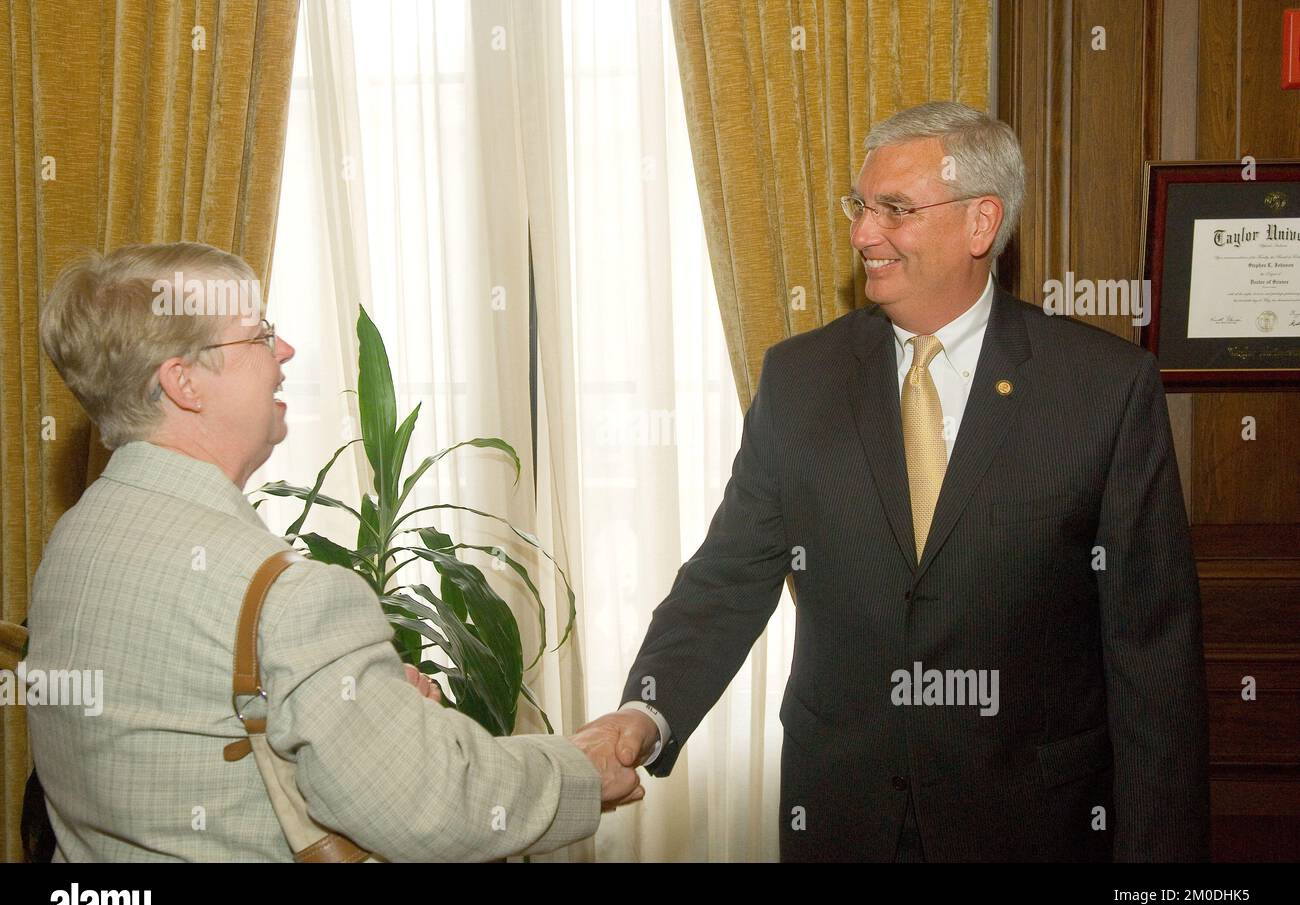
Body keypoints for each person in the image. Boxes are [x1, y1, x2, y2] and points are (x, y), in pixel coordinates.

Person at [578, 101, 1211, 862]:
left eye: (895, 210)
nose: (862, 233)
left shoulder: (1102, 390)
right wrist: (644, 714)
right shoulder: (800, 379)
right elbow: (726, 579)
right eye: (860, 205)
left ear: (982, 223)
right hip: (843, 821)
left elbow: (1154, 663)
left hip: (1030, 826)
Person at [27, 241, 640, 862]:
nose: (284, 352)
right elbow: (431, 809)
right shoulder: (286, 594)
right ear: (183, 382)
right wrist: (577, 771)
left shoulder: (75, 540)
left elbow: (178, 729)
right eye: (259, 335)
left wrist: (368, 706)